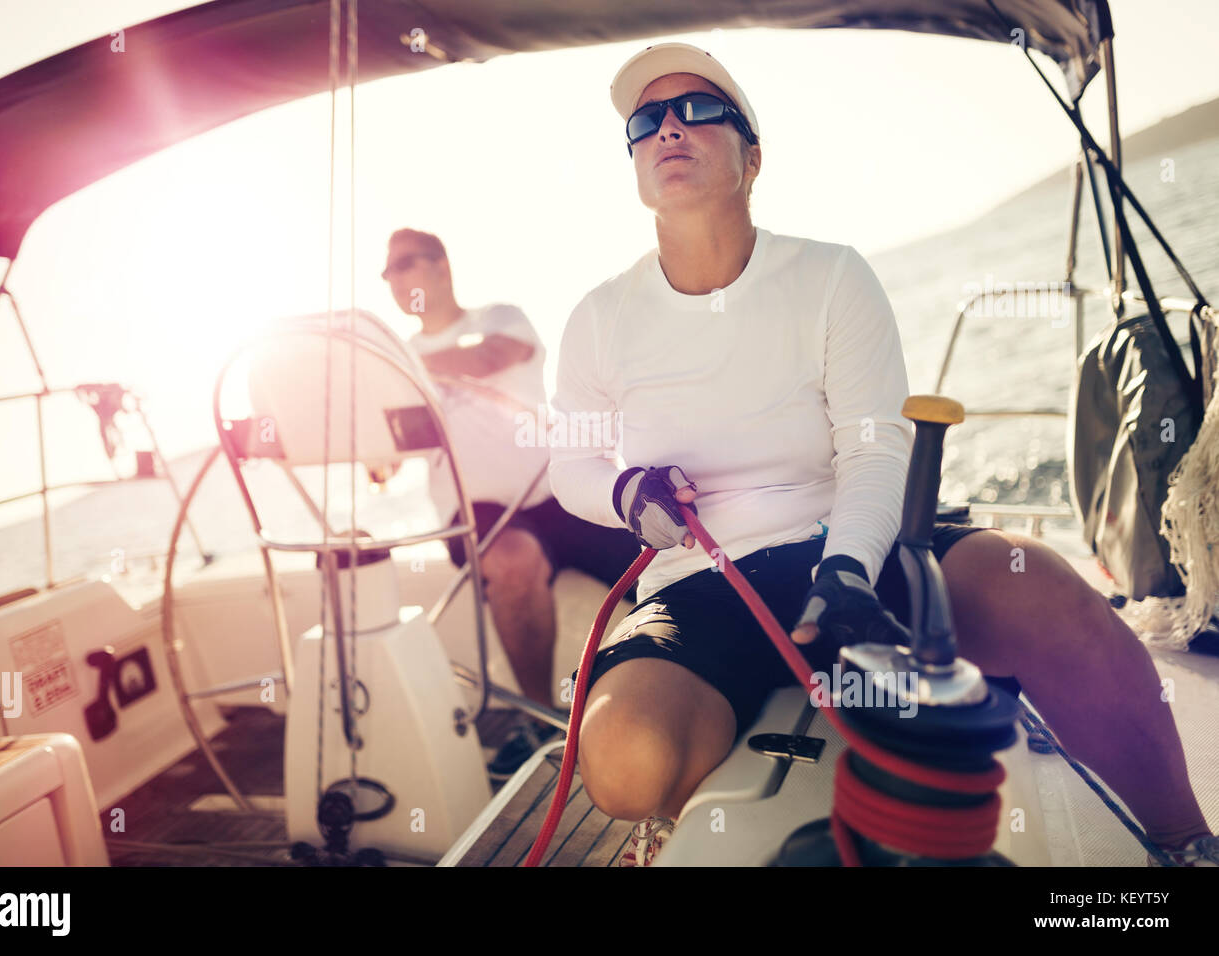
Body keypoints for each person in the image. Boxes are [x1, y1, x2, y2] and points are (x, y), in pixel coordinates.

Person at [548, 42, 1217, 867]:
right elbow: (566, 464)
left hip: (855, 551)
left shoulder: (831, 276)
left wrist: (845, 571)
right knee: (619, 759)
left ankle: (1186, 846)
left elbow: (872, 452)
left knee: (1047, 595)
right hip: (696, 588)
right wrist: (623, 495)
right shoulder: (598, 317)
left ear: (752, 156)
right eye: (646, 121)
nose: (668, 129)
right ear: (636, 163)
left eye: (697, 110)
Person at [381, 228, 642, 777]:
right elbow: (381, 460)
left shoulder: (497, 319)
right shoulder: (394, 363)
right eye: (387, 271)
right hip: (477, 515)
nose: (393, 279)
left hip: (557, 491)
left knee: (661, 552)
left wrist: (393, 371)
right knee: (513, 560)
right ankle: (543, 720)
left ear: (439, 266)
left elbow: (493, 357)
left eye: (403, 264)